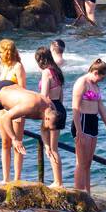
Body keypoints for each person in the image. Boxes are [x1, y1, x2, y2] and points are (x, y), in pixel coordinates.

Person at [71, 59, 106, 192]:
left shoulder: (96, 86)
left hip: (93, 122)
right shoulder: (82, 82)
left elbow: (101, 106)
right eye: (101, 78)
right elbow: (75, 107)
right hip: (82, 121)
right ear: (95, 72)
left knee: (88, 163)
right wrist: (78, 130)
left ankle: (88, 192)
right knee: (81, 162)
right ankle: (78, 193)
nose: (102, 81)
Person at [0, 40, 28, 184]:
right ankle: (5, 178)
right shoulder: (3, 66)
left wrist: (20, 111)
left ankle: (17, 178)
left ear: (7, 52)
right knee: (5, 142)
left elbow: (23, 90)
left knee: (17, 143)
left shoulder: (18, 67)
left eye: (0, 52)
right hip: (2, 109)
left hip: (15, 109)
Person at [35, 46, 66, 188]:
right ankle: (58, 180)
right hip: (59, 107)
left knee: (52, 149)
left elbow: (44, 96)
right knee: (53, 147)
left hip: (50, 108)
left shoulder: (46, 72)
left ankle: (57, 182)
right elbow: (61, 95)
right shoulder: (57, 71)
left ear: (40, 60)